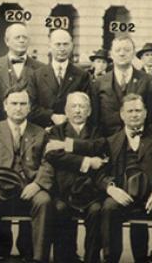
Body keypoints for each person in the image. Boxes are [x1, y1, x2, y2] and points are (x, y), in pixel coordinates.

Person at [97, 94, 152, 263]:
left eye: (138, 110)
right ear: (122, 114)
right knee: (108, 207)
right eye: (130, 111)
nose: (134, 115)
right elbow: (100, 172)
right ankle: (110, 258)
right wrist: (111, 188)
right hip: (123, 196)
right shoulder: (111, 141)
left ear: (145, 113)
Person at [0, 88, 55, 262]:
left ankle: (38, 257)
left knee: (44, 200)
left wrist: (37, 184)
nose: (18, 108)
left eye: (23, 104)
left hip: (30, 186)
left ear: (29, 107)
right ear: (5, 106)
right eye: (14, 103)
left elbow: (48, 162)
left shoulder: (40, 132)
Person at [41, 92, 107, 262]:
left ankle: (92, 259)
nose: (77, 111)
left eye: (82, 106)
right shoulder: (56, 131)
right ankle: (66, 258)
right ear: (66, 110)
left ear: (89, 111)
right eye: (73, 106)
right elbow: (53, 155)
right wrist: (87, 161)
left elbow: (98, 147)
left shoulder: (97, 130)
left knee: (96, 211)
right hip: (64, 190)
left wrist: (67, 145)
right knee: (60, 209)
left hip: (90, 191)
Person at [91, 34, 152, 136]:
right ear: (111, 54)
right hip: (108, 142)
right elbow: (94, 120)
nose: (122, 53)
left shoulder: (148, 81)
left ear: (133, 53)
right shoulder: (99, 83)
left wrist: (143, 136)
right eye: (118, 50)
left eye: (127, 50)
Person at [0, 24, 45, 123]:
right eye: (17, 37)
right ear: (7, 41)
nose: (22, 40)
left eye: (25, 37)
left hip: (32, 127)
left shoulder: (41, 69)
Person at [32, 29, 91, 128]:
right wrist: (51, 116)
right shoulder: (37, 75)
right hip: (43, 130)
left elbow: (87, 106)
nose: (62, 48)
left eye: (65, 44)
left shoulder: (82, 76)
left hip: (71, 130)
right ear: (49, 47)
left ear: (71, 46)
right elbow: (31, 107)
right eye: (58, 44)